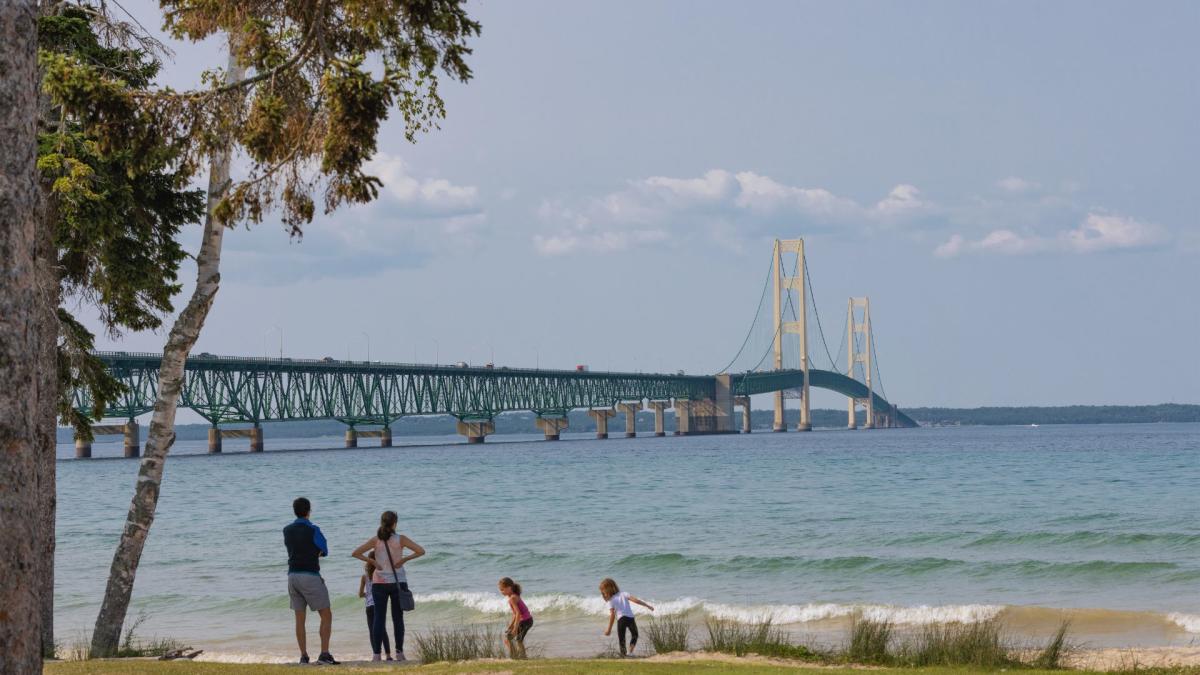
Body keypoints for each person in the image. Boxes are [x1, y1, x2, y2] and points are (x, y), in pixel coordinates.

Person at [352, 510, 425, 662]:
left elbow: (356, 553)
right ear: (395, 523)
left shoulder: (375, 540)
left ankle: (376, 655)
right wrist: (404, 560)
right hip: (398, 581)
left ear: (382, 523)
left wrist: (372, 562)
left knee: (379, 618)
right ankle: (399, 653)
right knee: (398, 618)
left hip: (379, 583)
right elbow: (421, 551)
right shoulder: (401, 539)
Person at [283, 497, 338, 665]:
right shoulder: (313, 529)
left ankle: (304, 656)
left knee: (300, 619)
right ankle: (324, 654)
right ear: (308, 511)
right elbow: (324, 550)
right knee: (326, 615)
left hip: (292, 576)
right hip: (310, 575)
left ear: (295, 511)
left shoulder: (286, 530)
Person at [599, 577, 654, 657]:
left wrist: (609, 629)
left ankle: (623, 655)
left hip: (621, 620)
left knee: (622, 639)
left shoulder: (611, 601)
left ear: (608, 589)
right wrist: (647, 605)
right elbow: (636, 600)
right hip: (630, 618)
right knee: (635, 635)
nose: (604, 594)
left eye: (604, 592)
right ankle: (630, 652)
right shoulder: (624, 594)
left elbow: (612, 615)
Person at [358, 552, 393, 661]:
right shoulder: (382, 574)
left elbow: (360, 594)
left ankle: (376, 655)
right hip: (379, 605)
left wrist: (368, 595)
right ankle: (388, 655)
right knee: (382, 630)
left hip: (369, 606)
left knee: (372, 631)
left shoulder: (364, 577)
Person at [499, 577, 533, 659]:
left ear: (509, 588)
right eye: (500, 590)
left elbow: (518, 614)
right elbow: (515, 614)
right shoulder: (514, 596)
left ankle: (514, 657)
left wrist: (515, 629)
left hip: (524, 621)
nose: (501, 592)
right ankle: (522, 657)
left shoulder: (512, 598)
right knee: (517, 640)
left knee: (509, 639)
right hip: (528, 620)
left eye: (502, 589)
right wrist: (511, 626)